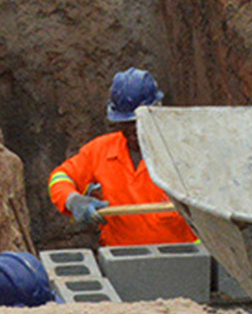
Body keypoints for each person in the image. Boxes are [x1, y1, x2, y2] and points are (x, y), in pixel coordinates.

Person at [46, 67, 198, 248]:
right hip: (120, 260)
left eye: (139, 121)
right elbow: (60, 177)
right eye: (126, 123)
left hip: (183, 259)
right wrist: (74, 200)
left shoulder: (183, 152)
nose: (133, 129)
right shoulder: (101, 151)